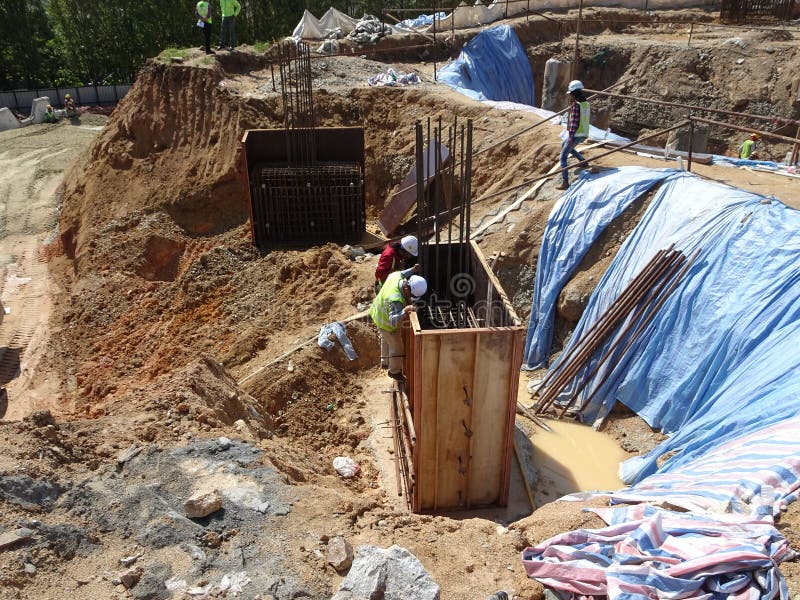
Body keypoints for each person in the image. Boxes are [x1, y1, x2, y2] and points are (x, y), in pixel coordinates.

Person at [369, 268, 427, 383]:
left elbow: (402, 273)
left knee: (385, 339)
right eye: (411, 295)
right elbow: (393, 321)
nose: (411, 297)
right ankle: (394, 372)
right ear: (406, 288)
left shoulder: (395, 277)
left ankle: (385, 362)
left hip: (377, 313)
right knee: (398, 348)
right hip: (387, 323)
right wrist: (405, 311)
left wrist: (413, 269)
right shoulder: (396, 300)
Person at [556, 80, 591, 191]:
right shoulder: (586, 104)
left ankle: (565, 182)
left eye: (571, 94)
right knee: (563, 144)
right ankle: (582, 161)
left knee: (563, 156)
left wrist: (570, 138)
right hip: (584, 133)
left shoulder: (576, 105)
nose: (569, 96)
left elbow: (574, 123)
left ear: (574, 94)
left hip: (576, 134)